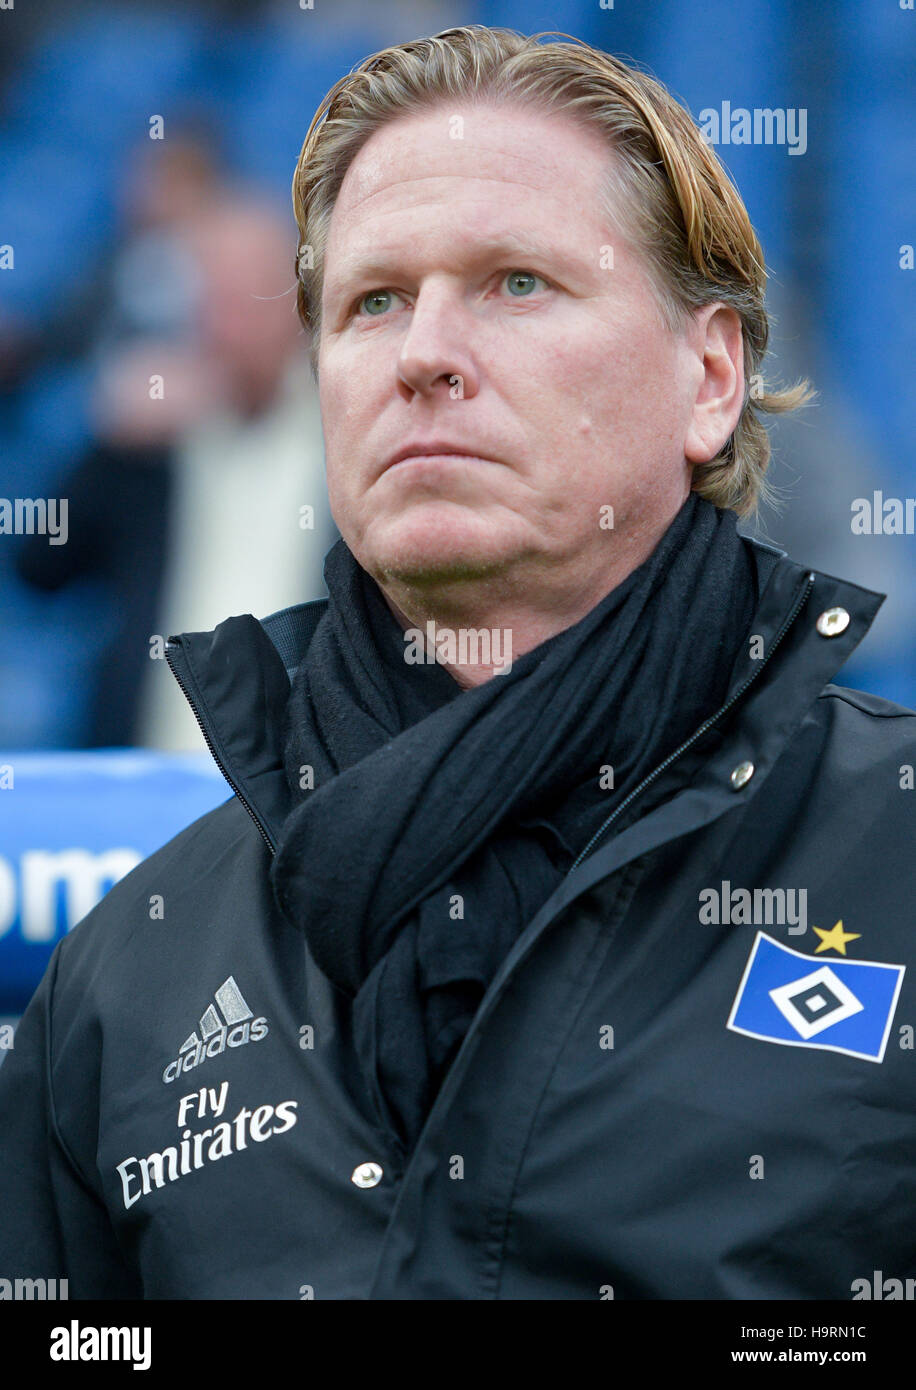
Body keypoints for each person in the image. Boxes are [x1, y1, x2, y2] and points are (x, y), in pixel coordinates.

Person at [0, 24, 913, 1301]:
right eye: (373, 301)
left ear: (710, 376)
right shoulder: (130, 973)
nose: (423, 350)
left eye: (516, 283)